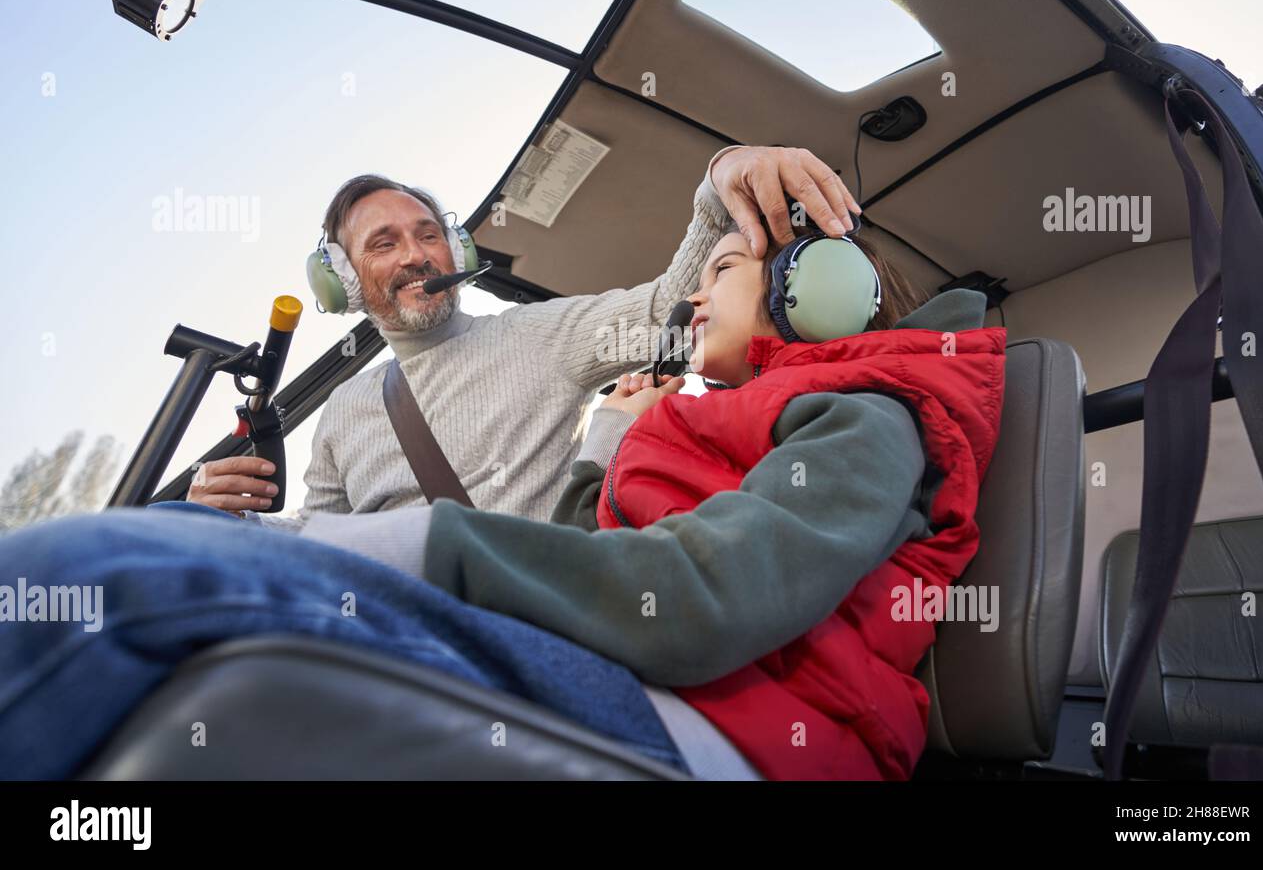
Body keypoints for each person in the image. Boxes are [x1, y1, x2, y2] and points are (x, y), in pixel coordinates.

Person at [0, 210, 1004, 781]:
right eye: (377, 242)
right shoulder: (356, 404)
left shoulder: (868, 413)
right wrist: (602, 447)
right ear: (345, 275)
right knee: (173, 532)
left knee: (97, 584)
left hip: (746, 733)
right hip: (640, 672)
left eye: (726, 269)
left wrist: (427, 543)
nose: (699, 293)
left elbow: (697, 601)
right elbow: (610, 551)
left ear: (820, 290)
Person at [185, 146, 863, 528]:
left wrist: (717, 181)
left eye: (429, 235)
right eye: (384, 243)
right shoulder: (343, 415)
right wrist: (223, 521)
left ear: (455, 251)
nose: (416, 255)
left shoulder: (538, 336)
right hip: (391, 644)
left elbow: (665, 310)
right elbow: (317, 537)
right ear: (344, 283)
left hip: (525, 627)